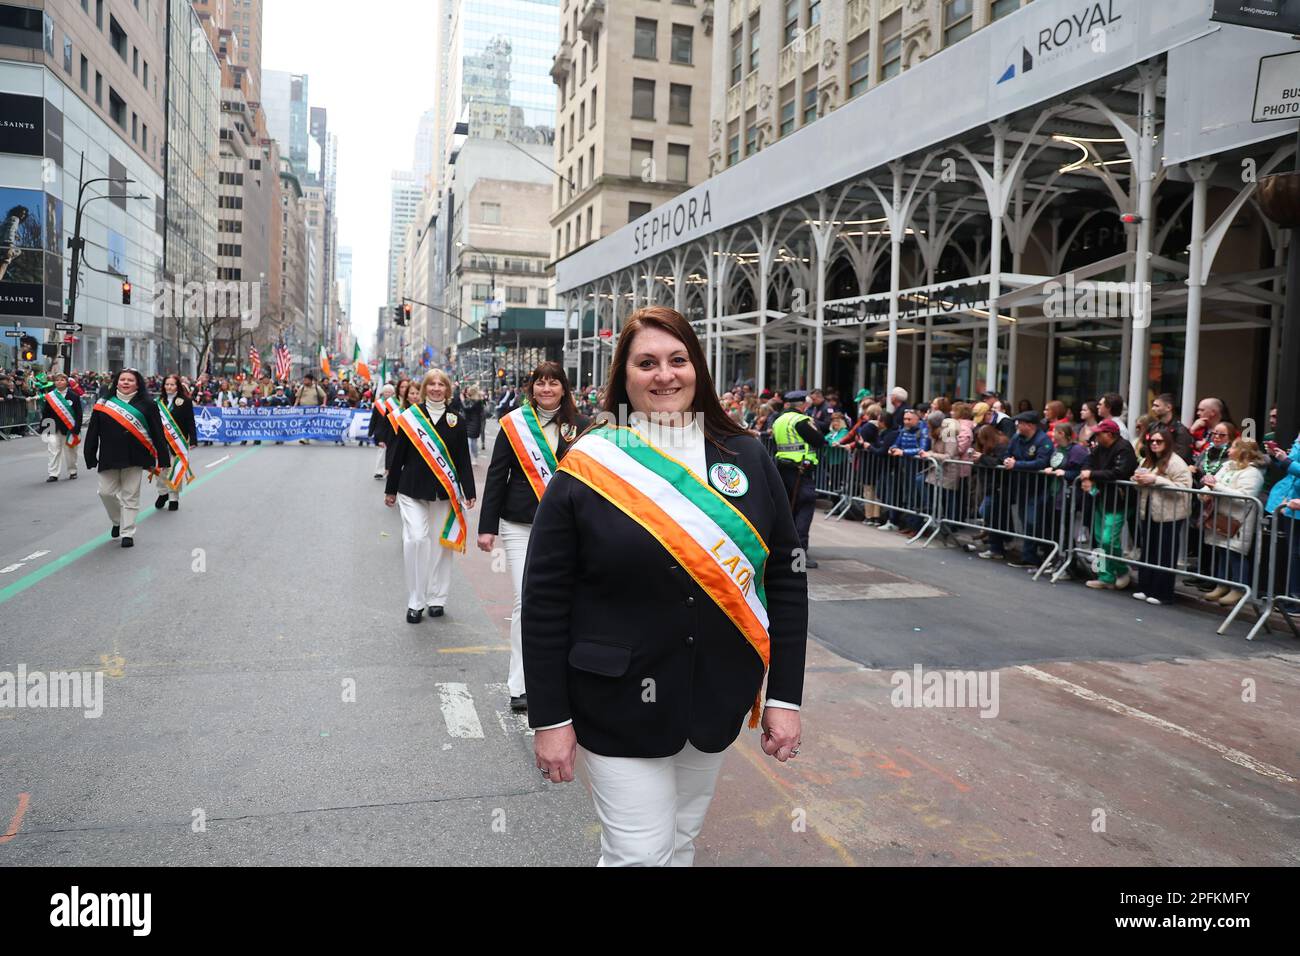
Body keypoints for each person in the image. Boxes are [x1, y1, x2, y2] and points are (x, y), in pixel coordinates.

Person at [521, 305, 808, 867]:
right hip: (615, 700)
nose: (665, 375)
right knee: (639, 853)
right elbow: (545, 601)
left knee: (679, 845)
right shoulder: (590, 465)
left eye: (678, 360)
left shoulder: (747, 455)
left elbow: (787, 581)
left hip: (715, 698)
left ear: (697, 368)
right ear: (624, 377)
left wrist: (784, 697)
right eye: (646, 362)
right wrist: (551, 718)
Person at [478, 362, 587, 713]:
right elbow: (496, 476)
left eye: (553, 383)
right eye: (540, 383)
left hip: (567, 525)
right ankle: (520, 684)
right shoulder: (514, 424)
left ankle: (564, 677)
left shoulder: (582, 426)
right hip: (520, 522)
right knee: (526, 599)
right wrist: (486, 527)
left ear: (564, 389)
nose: (546, 389)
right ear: (532, 388)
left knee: (570, 600)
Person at [384, 369, 477, 623]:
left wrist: (469, 490)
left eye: (441, 384)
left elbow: (462, 460)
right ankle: (416, 600)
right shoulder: (411, 418)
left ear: (447, 390)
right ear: (424, 389)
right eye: (431, 384)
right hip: (411, 490)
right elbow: (398, 456)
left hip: (444, 492)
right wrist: (390, 489)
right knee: (415, 539)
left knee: (440, 546)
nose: (436, 388)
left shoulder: (455, 420)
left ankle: (437, 597)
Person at [82, 369, 170, 548]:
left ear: (138, 383)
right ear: (117, 382)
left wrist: (163, 458)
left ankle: (127, 532)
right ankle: (117, 521)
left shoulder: (148, 404)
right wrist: (89, 454)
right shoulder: (103, 403)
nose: (126, 382)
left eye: (131, 380)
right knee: (105, 493)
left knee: (130, 495)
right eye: (122, 379)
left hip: (136, 456)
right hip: (109, 455)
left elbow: (157, 432)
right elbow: (93, 432)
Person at [1200, 439, 1267, 608]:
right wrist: (1204, 492)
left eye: (1233, 446)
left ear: (1243, 451)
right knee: (1222, 550)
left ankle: (1238, 587)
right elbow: (1214, 482)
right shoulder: (1227, 466)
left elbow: (1244, 498)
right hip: (1222, 515)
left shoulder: (1253, 473)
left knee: (1236, 553)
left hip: (1239, 519)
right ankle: (1222, 584)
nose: (1229, 449)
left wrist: (1216, 487)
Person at [1130, 430, 1193, 605]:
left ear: (1168, 443)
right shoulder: (1148, 460)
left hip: (1169, 514)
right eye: (1152, 441)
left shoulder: (1176, 463)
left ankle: (1163, 592)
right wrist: (1138, 479)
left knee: (1165, 553)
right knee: (1148, 549)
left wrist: (1156, 480)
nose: (1155, 444)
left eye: (1159, 441)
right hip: (1149, 511)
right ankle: (1145, 587)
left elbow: (1184, 488)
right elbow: (1138, 481)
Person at [982, 410, 1053, 567]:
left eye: (1020, 423)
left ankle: (1038, 556)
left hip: (1037, 487)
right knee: (1025, 520)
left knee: (1033, 522)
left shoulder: (1043, 440)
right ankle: (1030, 556)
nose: (1017, 425)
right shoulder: (1017, 437)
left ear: (1030, 425)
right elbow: (1008, 453)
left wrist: (1018, 464)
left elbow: (1041, 462)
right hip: (1021, 486)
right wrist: (1008, 460)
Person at [771, 391, 830, 566]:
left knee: (789, 510)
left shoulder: (778, 421)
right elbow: (819, 440)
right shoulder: (800, 421)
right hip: (800, 470)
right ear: (803, 405)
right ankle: (799, 554)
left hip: (783, 467)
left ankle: (783, 550)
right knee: (804, 508)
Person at [1081, 419, 1137, 589]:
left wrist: (1091, 474)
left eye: (1099, 433)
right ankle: (1104, 576)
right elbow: (1088, 462)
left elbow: (1119, 472)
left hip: (1119, 501)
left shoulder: (1124, 448)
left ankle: (1121, 571)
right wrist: (1088, 476)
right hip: (1101, 497)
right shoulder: (1100, 447)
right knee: (1099, 538)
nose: (1096, 436)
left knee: (1109, 539)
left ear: (1110, 434)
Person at [154, 374, 197, 512]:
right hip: (161, 442)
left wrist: (193, 439)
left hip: (178, 442)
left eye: (172, 384)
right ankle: (162, 493)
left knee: (175, 470)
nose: (169, 387)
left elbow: (190, 421)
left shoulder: (185, 401)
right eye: (167, 384)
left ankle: (173, 497)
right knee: (161, 471)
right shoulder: (158, 401)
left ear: (177, 386)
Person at [41, 372, 82, 482]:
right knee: (53, 450)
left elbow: (79, 414)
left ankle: (72, 471)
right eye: (57, 380)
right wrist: (45, 428)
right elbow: (46, 413)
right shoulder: (50, 396)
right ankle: (53, 474)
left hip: (69, 428)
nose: (59, 382)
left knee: (70, 451)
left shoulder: (74, 396)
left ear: (66, 382)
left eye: (62, 380)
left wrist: (77, 428)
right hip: (53, 427)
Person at [1147, 393, 1194, 462]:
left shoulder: (1180, 430)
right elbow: (1145, 448)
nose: (1153, 409)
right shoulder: (1152, 427)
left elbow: (1182, 454)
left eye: (1157, 406)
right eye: (1153, 406)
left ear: (1168, 408)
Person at [368, 383, 397, 479]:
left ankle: (390, 471)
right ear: (383, 393)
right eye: (386, 392)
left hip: (392, 430)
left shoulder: (396, 404)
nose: (387, 394)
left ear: (393, 393)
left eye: (389, 392)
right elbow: (374, 418)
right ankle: (379, 471)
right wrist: (370, 431)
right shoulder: (378, 403)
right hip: (380, 430)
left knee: (392, 452)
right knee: (381, 451)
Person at [462, 385, 487, 457]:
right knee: (470, 441)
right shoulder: (473, 400)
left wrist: (463, 400)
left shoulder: (477, 401)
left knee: (473, 442)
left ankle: (475, 455)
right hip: (469, 422)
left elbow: (467, 409)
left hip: (475, 423)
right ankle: (470, 457)